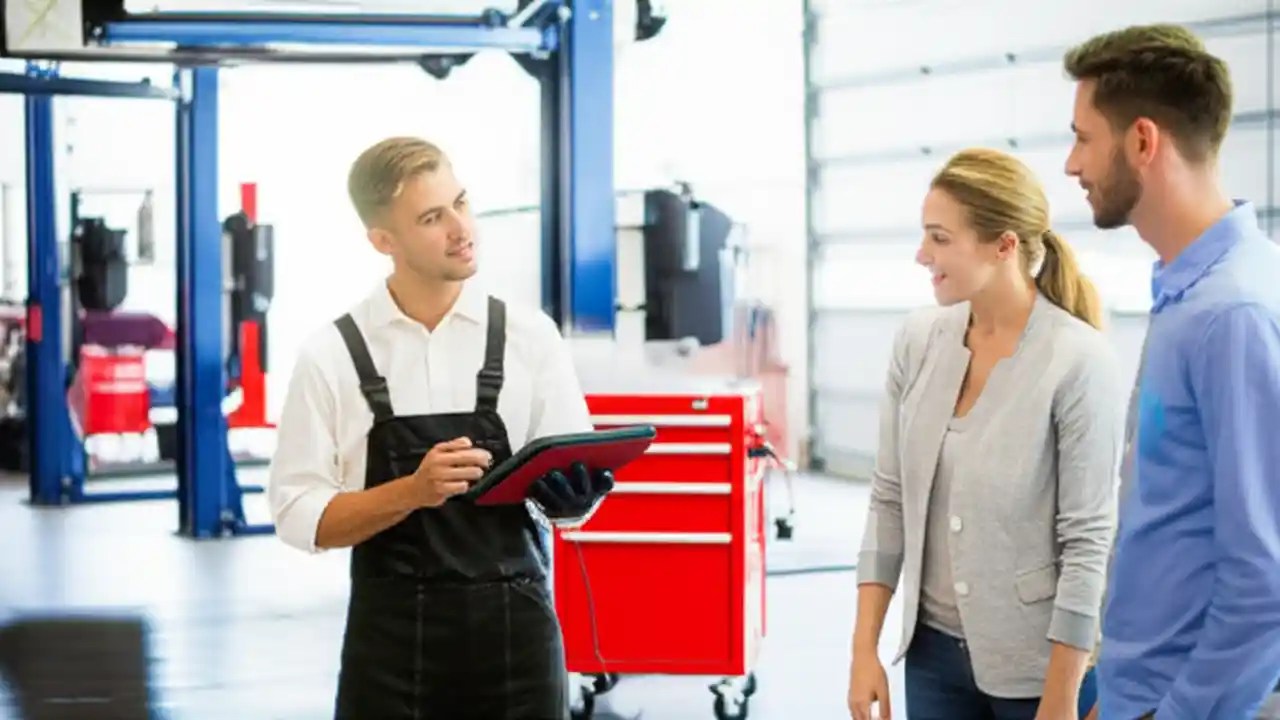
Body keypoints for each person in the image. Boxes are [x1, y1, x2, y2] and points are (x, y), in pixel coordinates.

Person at [265, 136, 615, 720]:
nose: (462, 228)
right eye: (432, 217)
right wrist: (412, 492)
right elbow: (299, 516)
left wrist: (572, 501)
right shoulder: (331, 356)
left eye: (462, 202)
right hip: (391, 652)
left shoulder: (531, 338)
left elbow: (568, 506)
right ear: (383, 241)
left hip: (519, 643)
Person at [847, 147, 1122, 720]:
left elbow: (1089, 542)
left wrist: (1061, 698)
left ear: (1004, 246)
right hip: (931, 659)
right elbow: (889, 497)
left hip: (1040, 668)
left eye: (940, 238)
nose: (922, 255)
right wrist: (863, 650)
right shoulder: (918, 340)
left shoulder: (1077, 359)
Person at [1063, 23, 1280, 720]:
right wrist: (1121, 692)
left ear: (1143, 142)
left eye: (1083, 137)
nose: (1071, 164)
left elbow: (1266, 578)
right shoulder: (1189, 291)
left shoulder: (1232, 314)